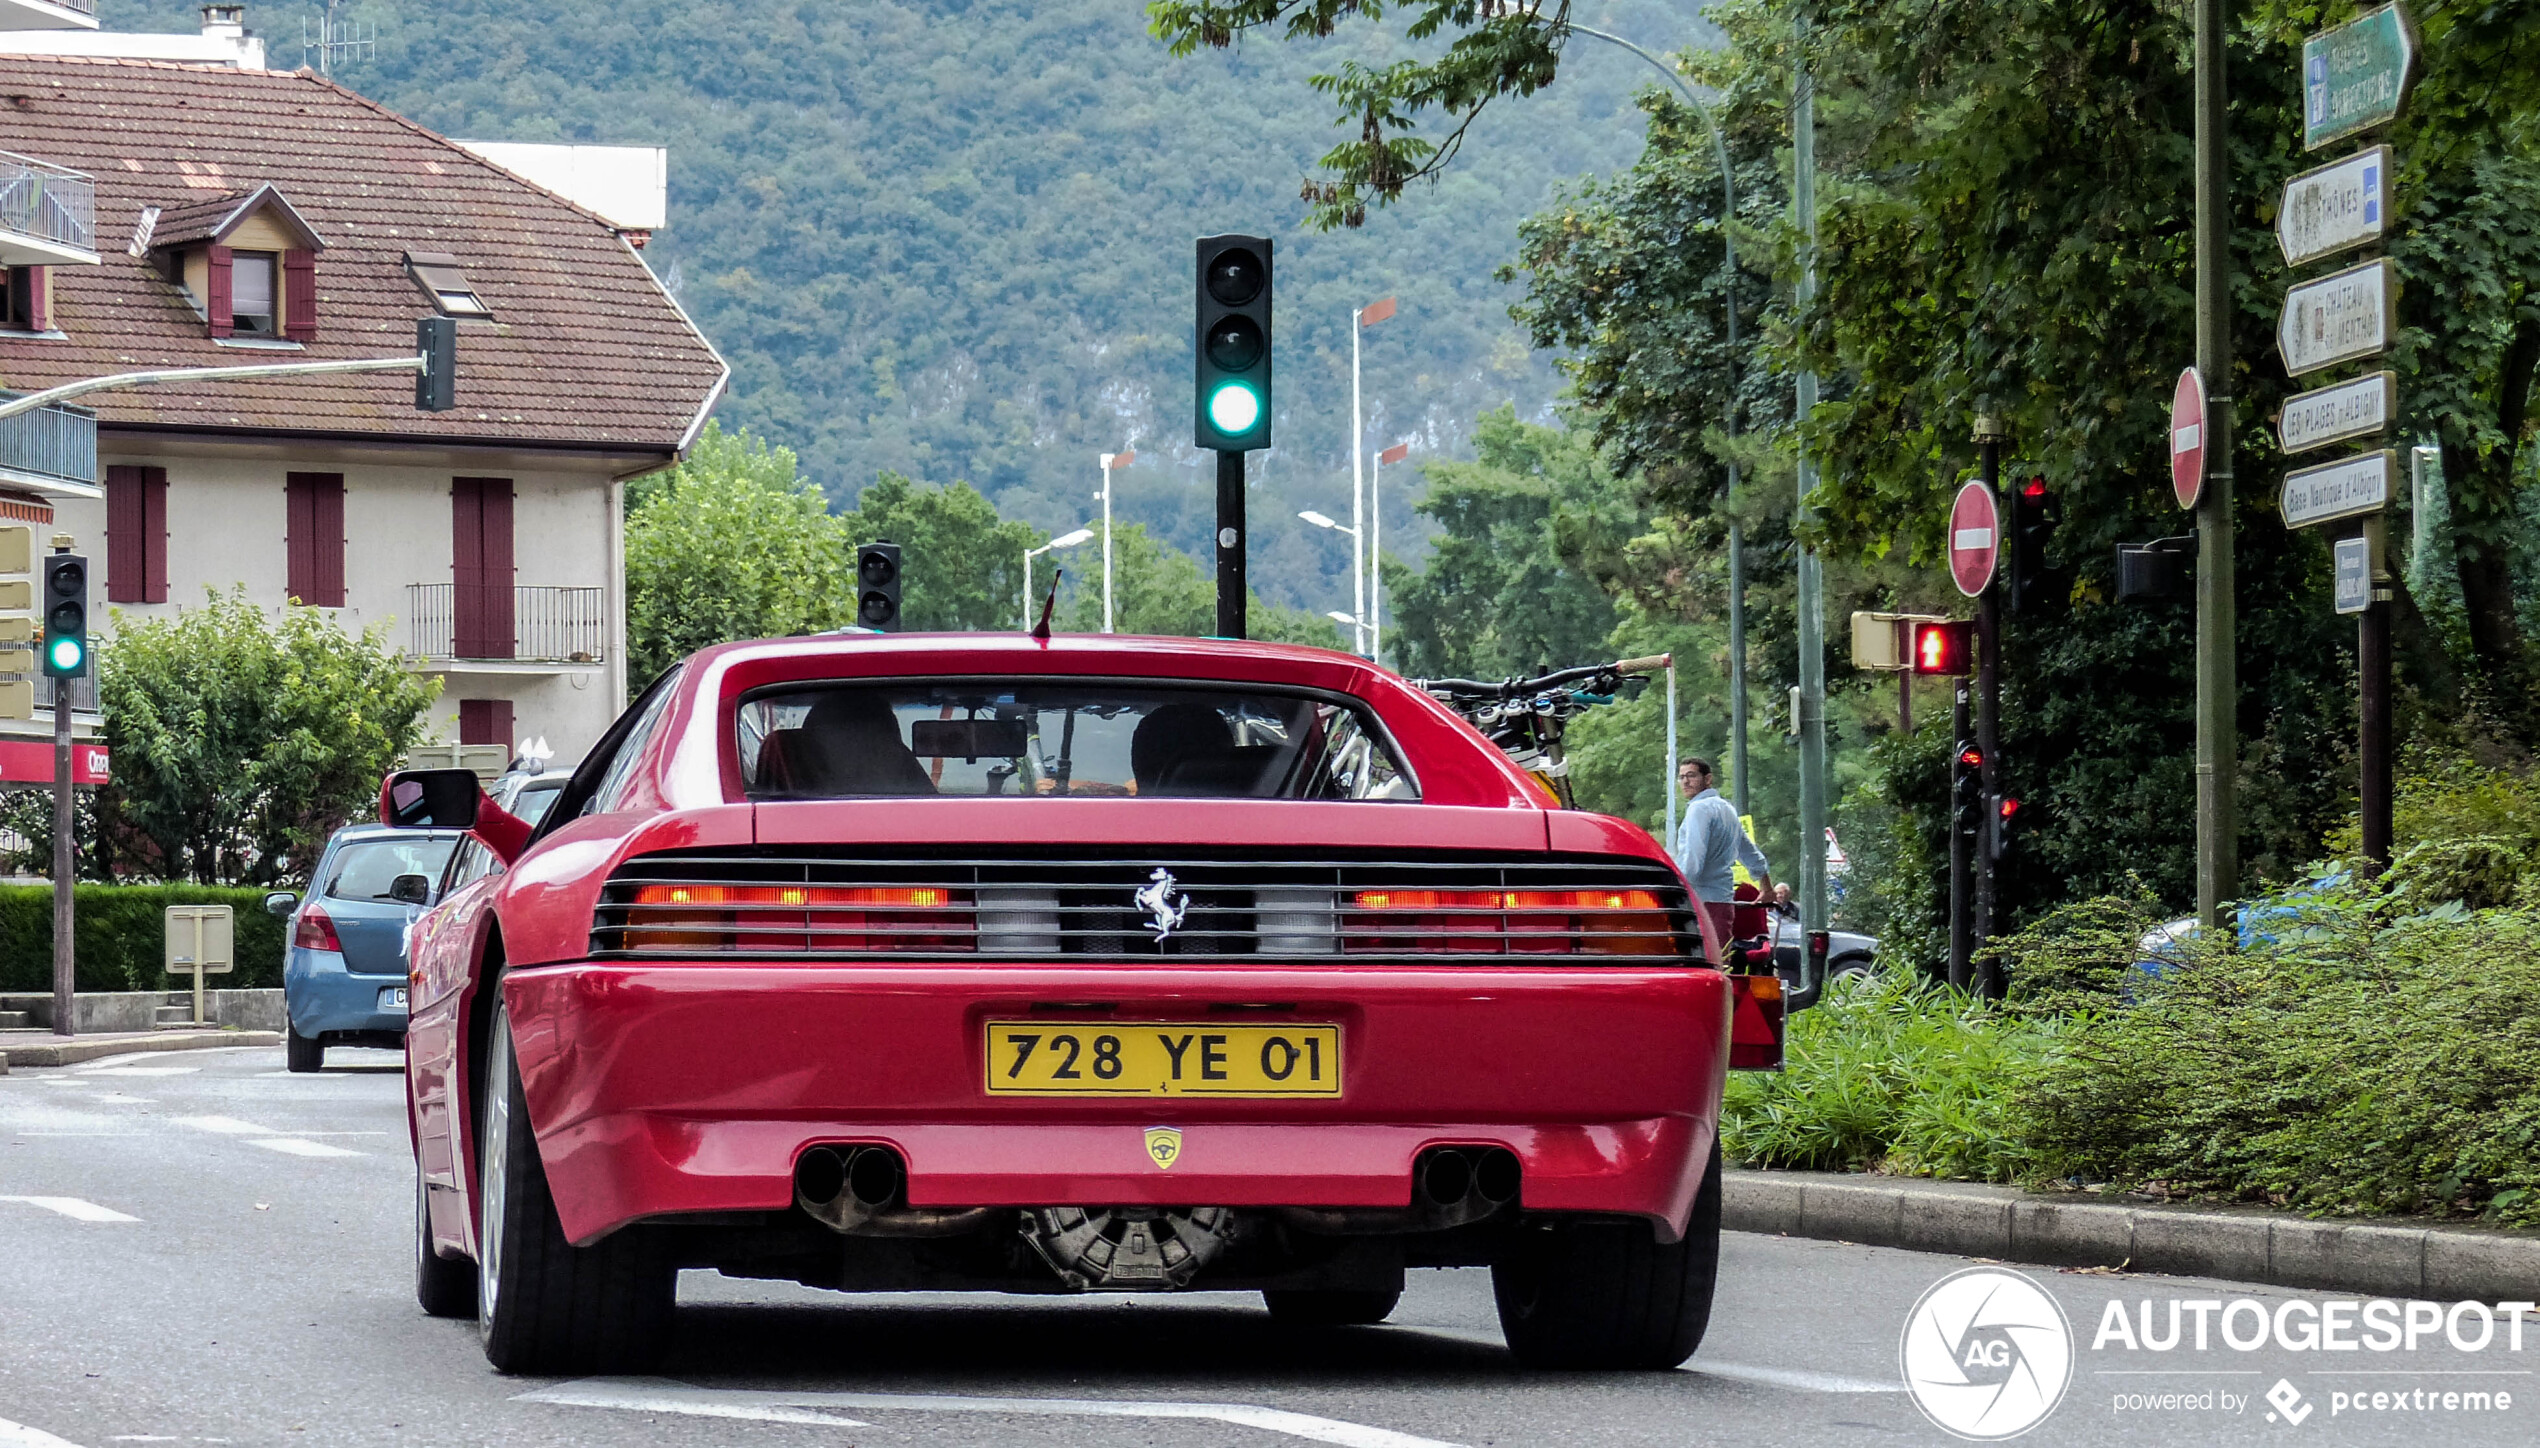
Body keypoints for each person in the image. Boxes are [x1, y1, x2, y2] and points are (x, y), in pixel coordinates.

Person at [1673, 758, 1773, 949]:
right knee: (1721, 961)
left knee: (1697, 961)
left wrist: (1675, 888)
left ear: (1708, 779)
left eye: (1691, 776)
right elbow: (1748, 851)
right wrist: (1766, 886)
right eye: (1681, 777)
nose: (1685, 782)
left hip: (1699, 901)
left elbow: (1693, 864)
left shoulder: (1698, 809)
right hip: (1723, 901)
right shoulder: (1727, 809)